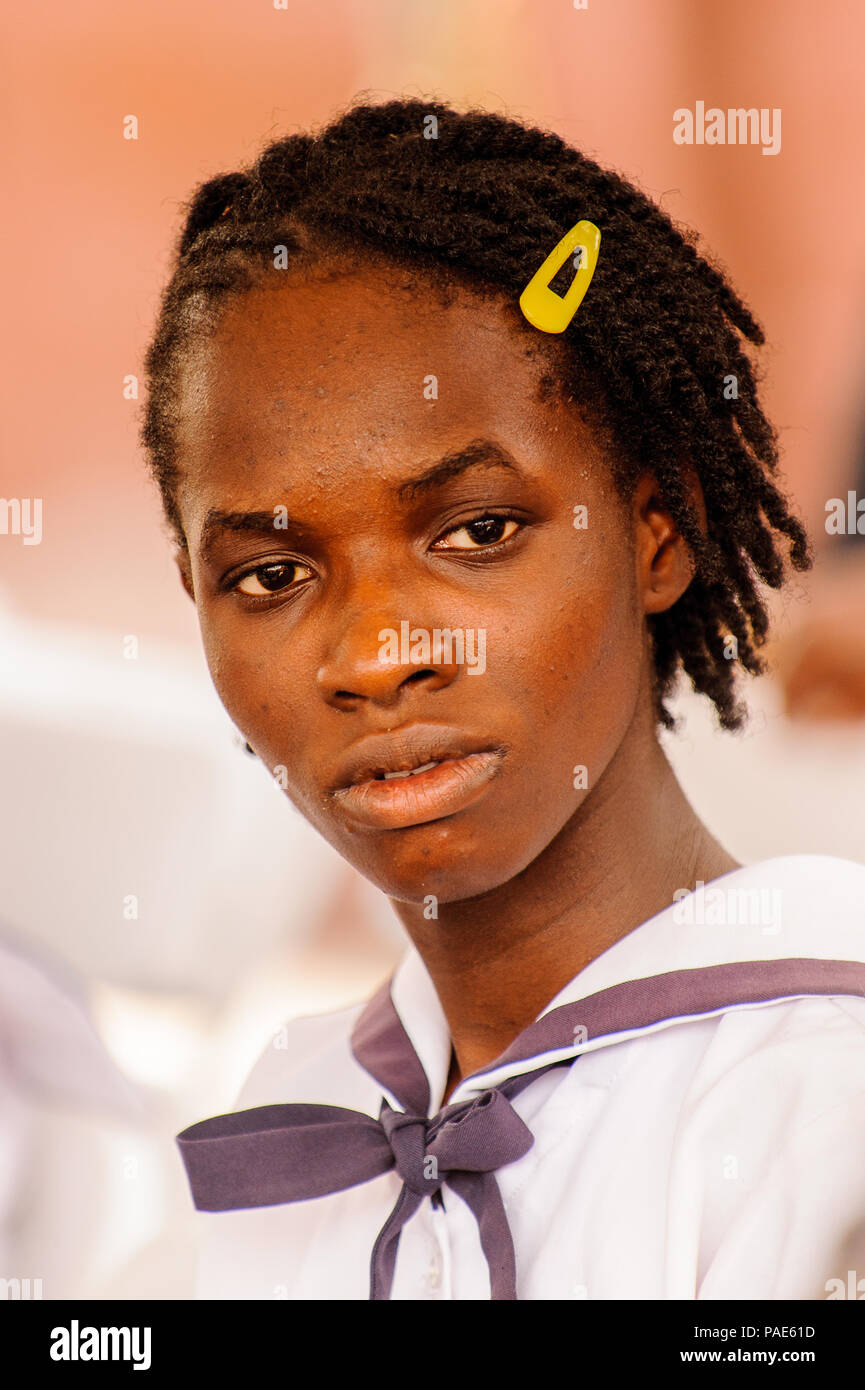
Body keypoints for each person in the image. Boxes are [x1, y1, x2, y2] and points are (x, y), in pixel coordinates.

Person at [140, 97, 865, 1300]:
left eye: (476, 530)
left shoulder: (824, 1098)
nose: (378, 654)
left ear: (656, 525)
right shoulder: (266, 1142)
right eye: (271, 575)